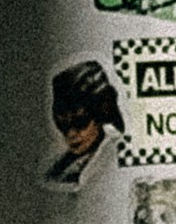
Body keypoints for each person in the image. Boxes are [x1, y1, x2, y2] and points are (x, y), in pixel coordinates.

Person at [46, 55, 123, 186]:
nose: (71, 134)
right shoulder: (58, 165)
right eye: (63, 125)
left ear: (101, 114)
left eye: (80, 122)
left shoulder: (117, 154)